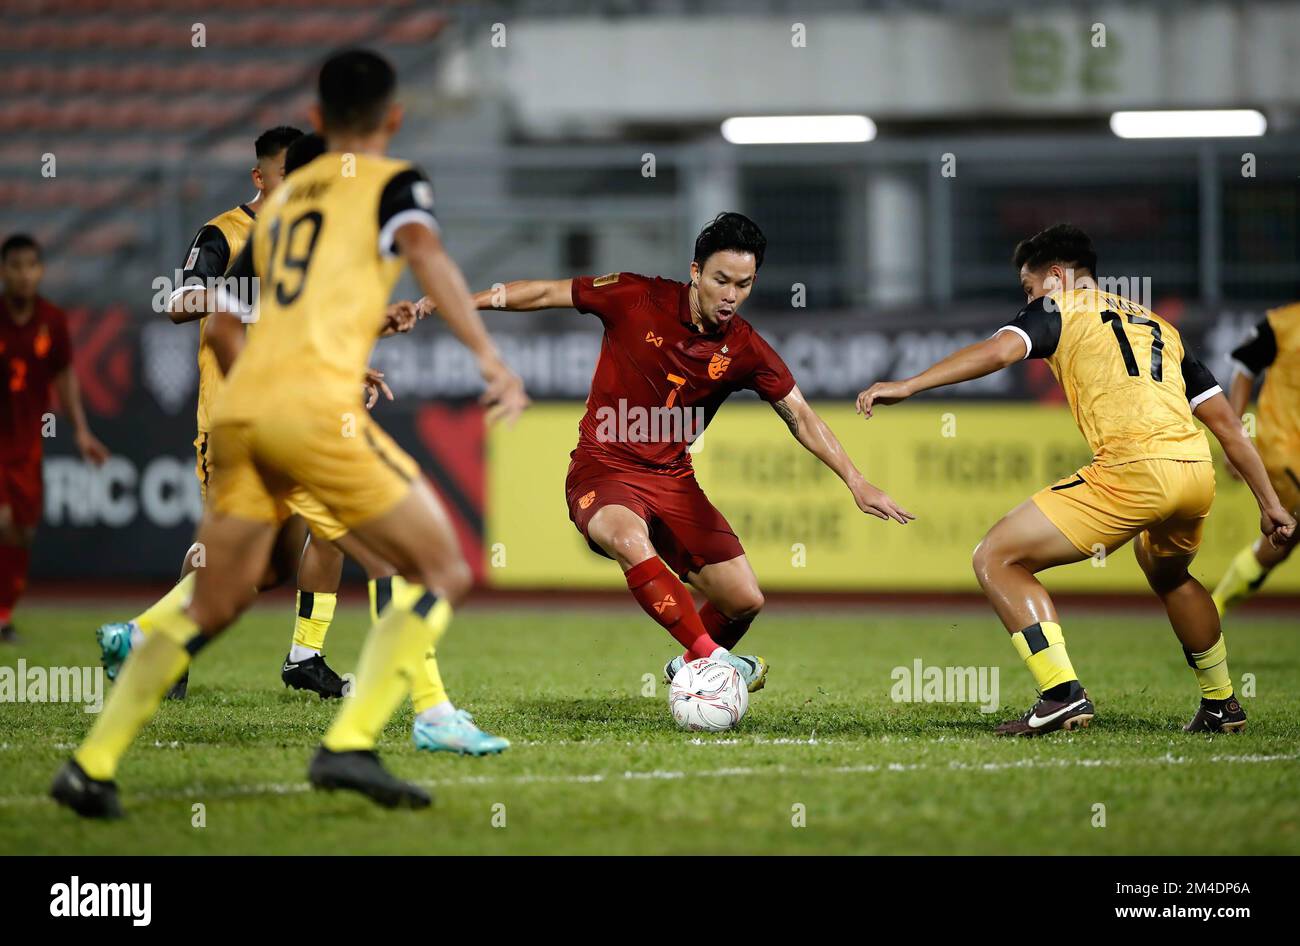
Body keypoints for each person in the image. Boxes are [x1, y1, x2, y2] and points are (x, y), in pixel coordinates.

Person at [52, 48, 528, 818]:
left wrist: (366, 332)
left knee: (215, 601)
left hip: (244, 413)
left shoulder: (279, 206)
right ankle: (362, 739)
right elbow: (428, 254)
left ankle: (92, 764)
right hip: (310, 417)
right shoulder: (390, 182)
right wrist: (487, 356)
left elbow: (263, 315)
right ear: (395, 118)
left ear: (314, 121)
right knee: (439, 566)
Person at [428, 212, 912, 693]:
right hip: (603, 469)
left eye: (743, 285)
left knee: (743, 599)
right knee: (627, 537)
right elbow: (545, 293)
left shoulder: (745, 349)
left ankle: (690, 668)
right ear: (696, 272)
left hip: (674, 481)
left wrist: (856, 479)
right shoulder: (634, 297)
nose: (730, 296)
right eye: (721, 279)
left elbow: (801, 415)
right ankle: (717, 665)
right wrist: (461, 302)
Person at [856, 223, 1295, 735]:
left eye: (1029, 288)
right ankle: (1222, 705)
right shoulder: (1160, 327)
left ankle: (1061, 695)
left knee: (996, 556)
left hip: (1133, 469)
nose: (1028, 299)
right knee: (1171, 575)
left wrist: (909, 384)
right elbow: (1227, 426)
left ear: (1057, 276)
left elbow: (999, 352)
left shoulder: (1058, 306)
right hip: (1194, 473)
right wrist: (1270, 504)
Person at [0, 234, 109, 643]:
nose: (23, 274)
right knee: (3, 520)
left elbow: (64, 375)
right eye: (15, 266)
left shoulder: (52, 320)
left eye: (30, 265)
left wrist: (81, 431)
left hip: (27, 445)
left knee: (22, 532)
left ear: (40, 270)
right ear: (3, 271)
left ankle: (4, 614)